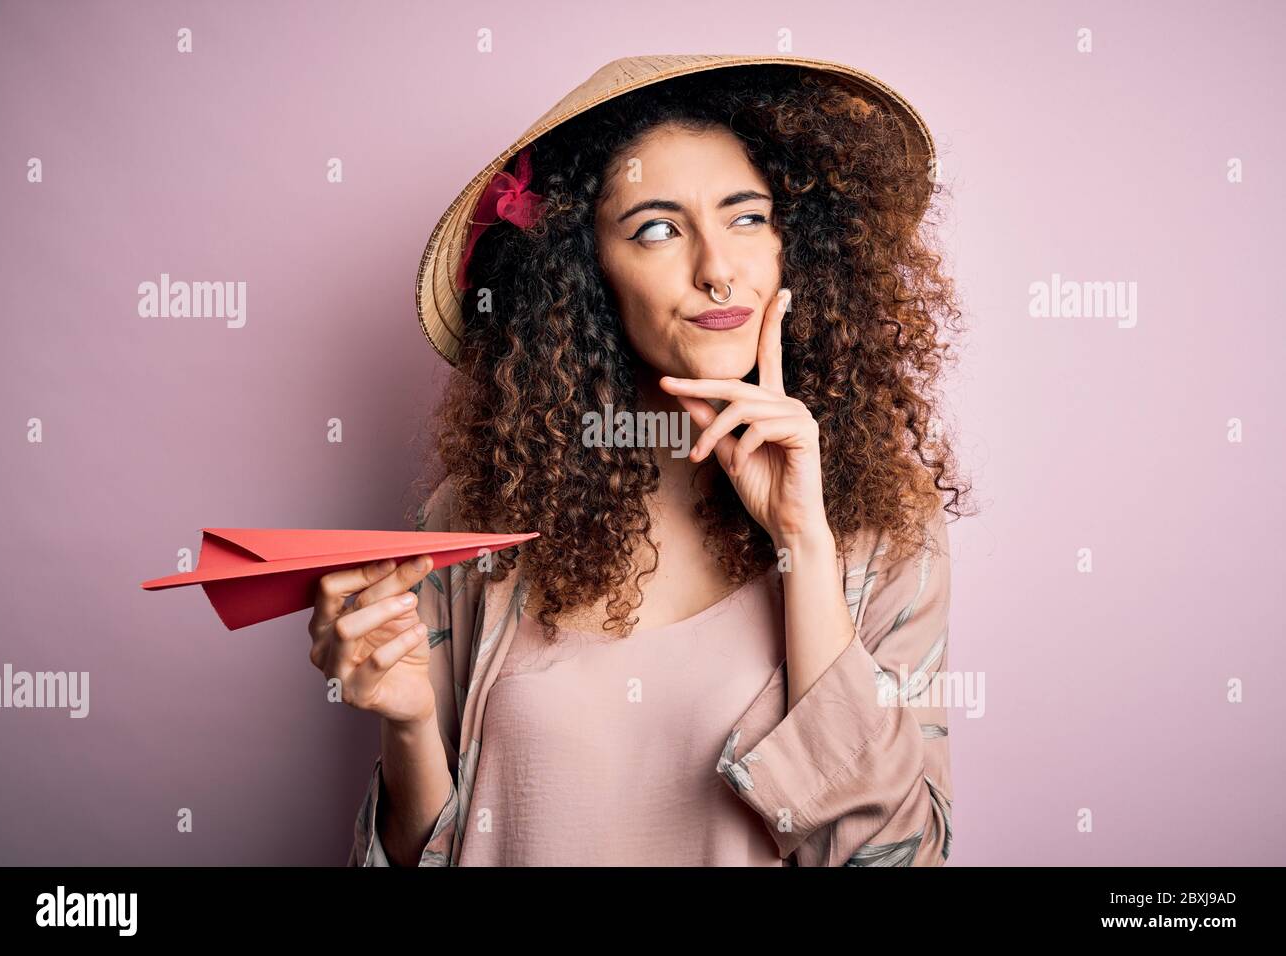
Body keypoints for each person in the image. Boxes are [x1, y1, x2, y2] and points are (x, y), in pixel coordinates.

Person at [308, 55, 973, 866]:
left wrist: (803, 538)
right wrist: (408, 723)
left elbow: (899, 857)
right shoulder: (472, 517)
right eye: (657, 228)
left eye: (747, 217)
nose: (716, 268)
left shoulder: (884, 524)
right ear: (586, 276)